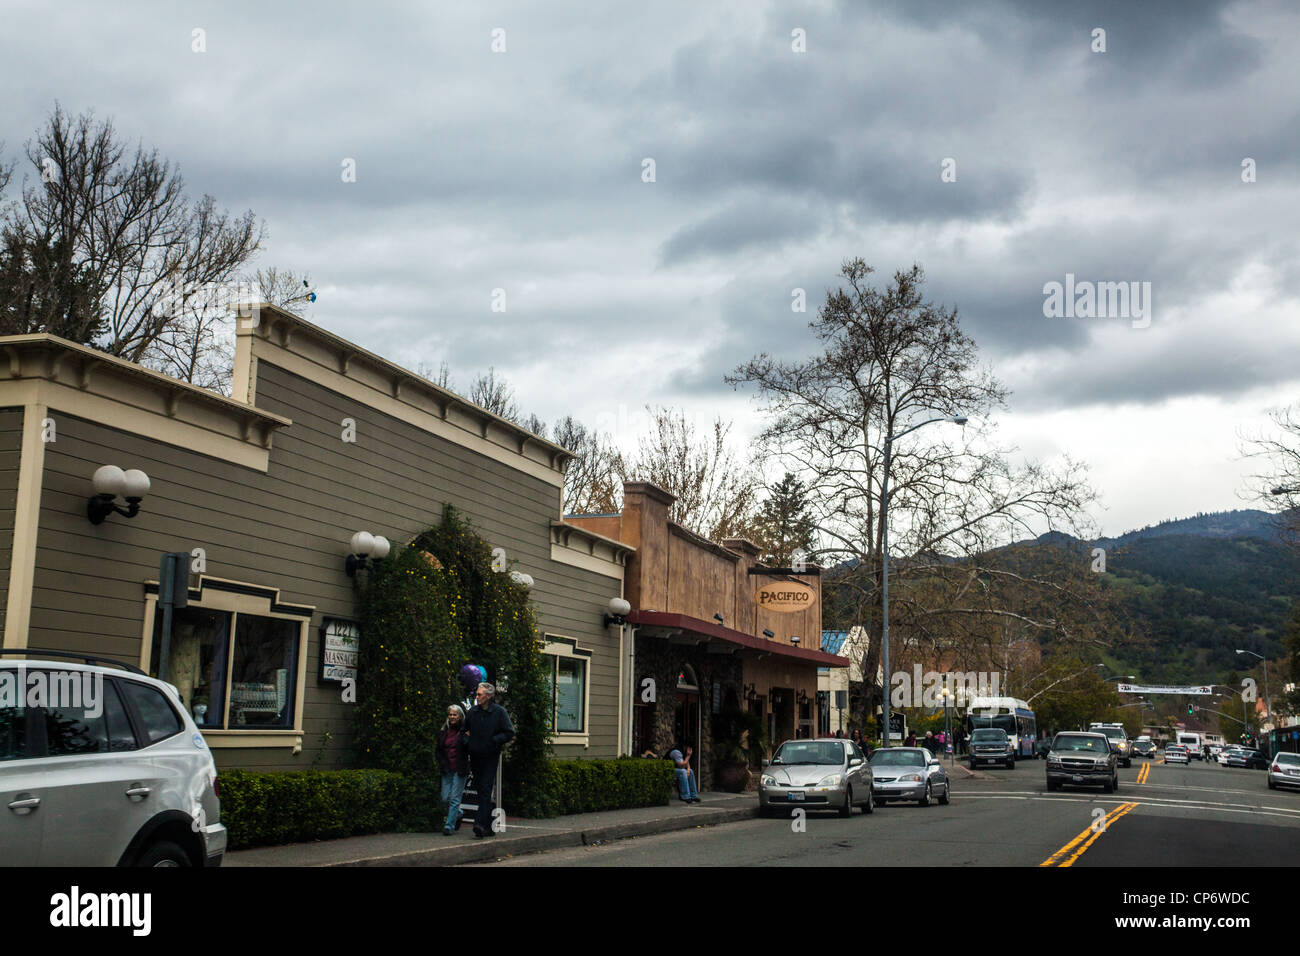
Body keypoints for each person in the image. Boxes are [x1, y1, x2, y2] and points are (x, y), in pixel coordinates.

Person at [464, 681, 515, 838]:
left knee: (486, 788)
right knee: (481, 790)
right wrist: (468, 743)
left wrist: (495, 741)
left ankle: (479, 824)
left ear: (489, 696)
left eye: (479, 695)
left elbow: (509, 732)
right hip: (475, 756)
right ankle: (489, 825)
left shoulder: (499, 712)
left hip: (490, 756)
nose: (477, 697)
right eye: (477, 694)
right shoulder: (472, 712)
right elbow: (463, 731)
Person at [435, 704, 469, 835]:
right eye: (450, 714)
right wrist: (442, 763)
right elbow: (438, 750)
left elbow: (469, 746)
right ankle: (459, 813)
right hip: (447, 769)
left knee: (455, 799)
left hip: (460, 768)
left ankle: (449, 826)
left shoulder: (464, 731)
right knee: (445, 798)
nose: (452, 717)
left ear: (460, 716)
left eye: (455, 714)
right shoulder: (444, 732)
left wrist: (467, 736)